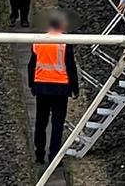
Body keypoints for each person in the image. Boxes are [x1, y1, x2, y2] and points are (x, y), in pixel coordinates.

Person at [29, 11, 78, 165]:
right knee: (57, 124)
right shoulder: (64, 42)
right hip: (60, 87)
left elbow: (31, 64)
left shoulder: (38, 41)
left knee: (41, 122)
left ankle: (39, 154)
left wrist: (32, 84)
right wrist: (75, 88)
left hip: (42, 86)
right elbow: (70, 66)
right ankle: (54, 157)